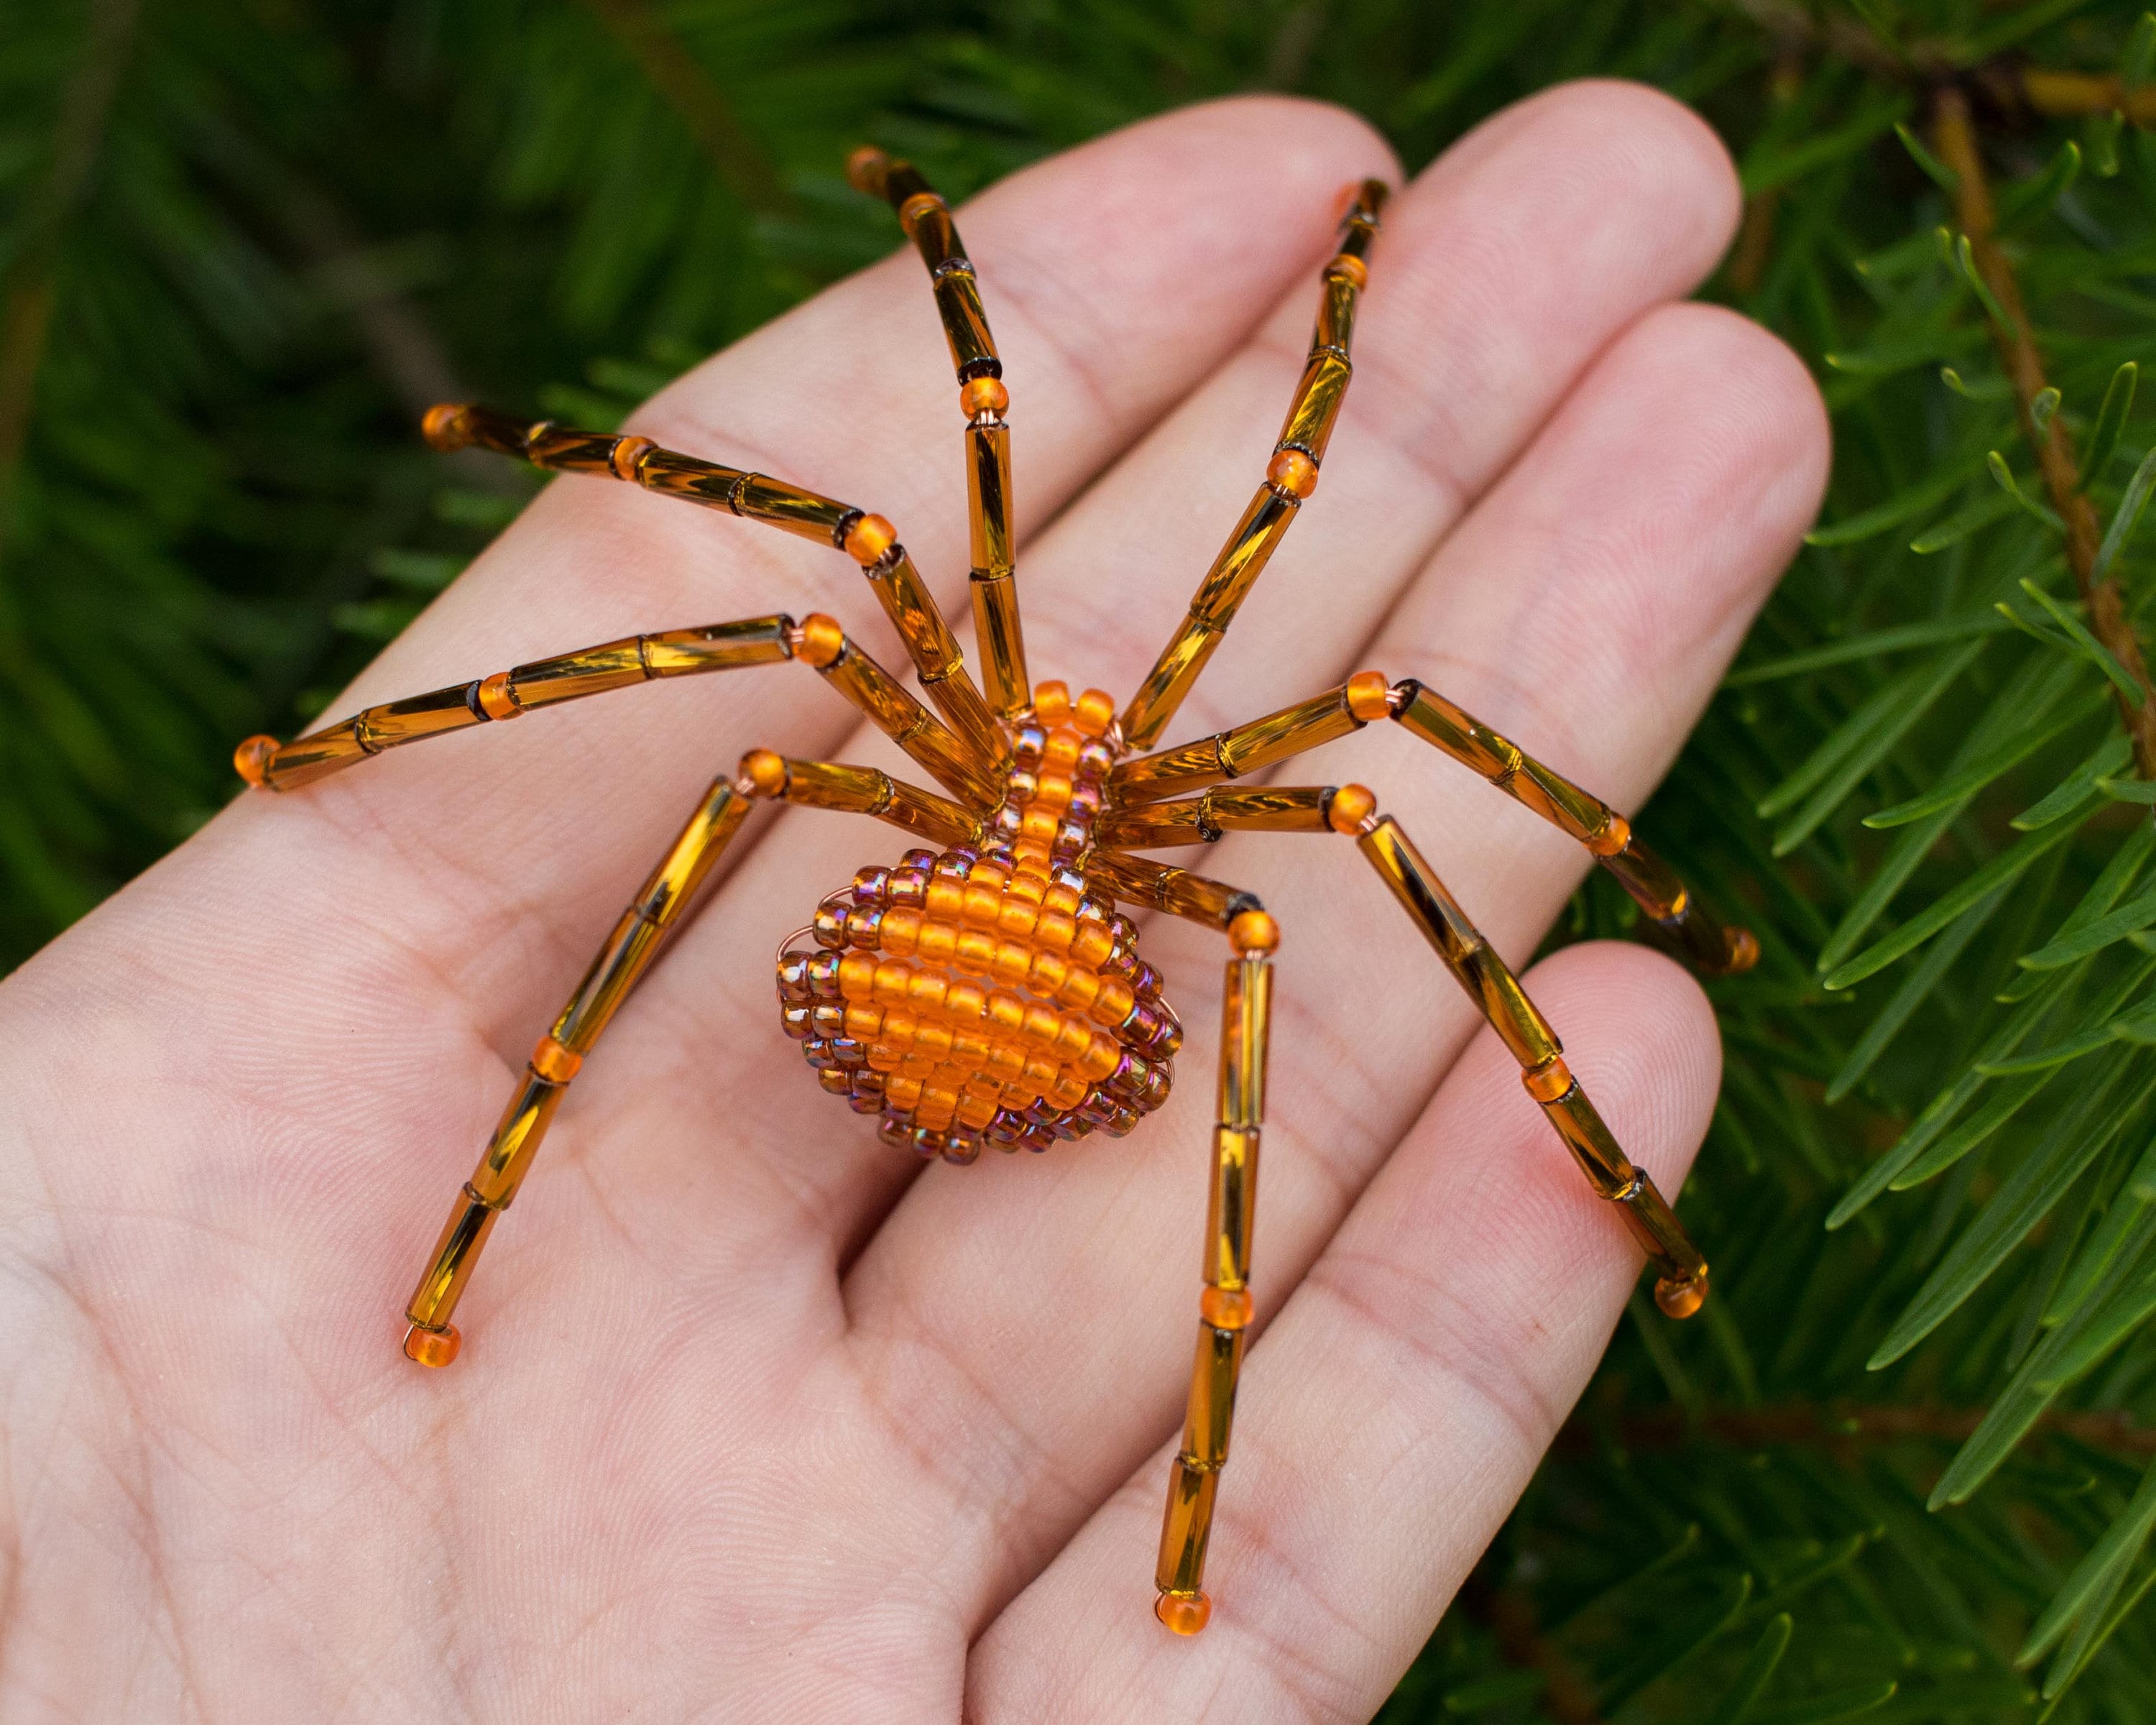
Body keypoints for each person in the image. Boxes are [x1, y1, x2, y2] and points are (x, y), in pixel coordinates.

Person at [0, 81, 1825, 1721]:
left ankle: (470, 1167)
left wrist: (925, 240)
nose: (1073, 717)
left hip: (992, 961)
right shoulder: (1190, 793)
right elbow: (1285, 507)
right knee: (1328, 756)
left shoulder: (968, 735)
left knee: (848, 635)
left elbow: (1020, 482)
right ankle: (1195, 1523)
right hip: (1003, 964)